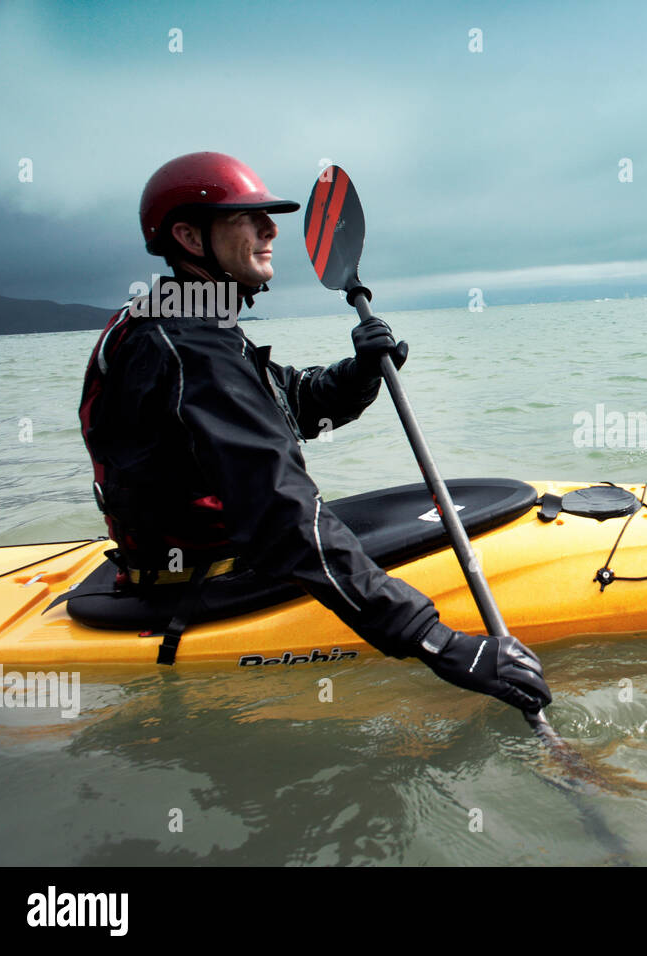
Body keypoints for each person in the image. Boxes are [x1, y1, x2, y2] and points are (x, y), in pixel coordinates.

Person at [78, 151, 551, 713]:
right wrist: (437, 641)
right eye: (247, 218)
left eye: (268, 216)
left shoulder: (182, 320)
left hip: (188, 558)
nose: (271, 229)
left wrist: (359, 373)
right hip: (211, 577)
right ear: (188, 236)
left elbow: (293, 403)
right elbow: (281, 515)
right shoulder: (188, 344)